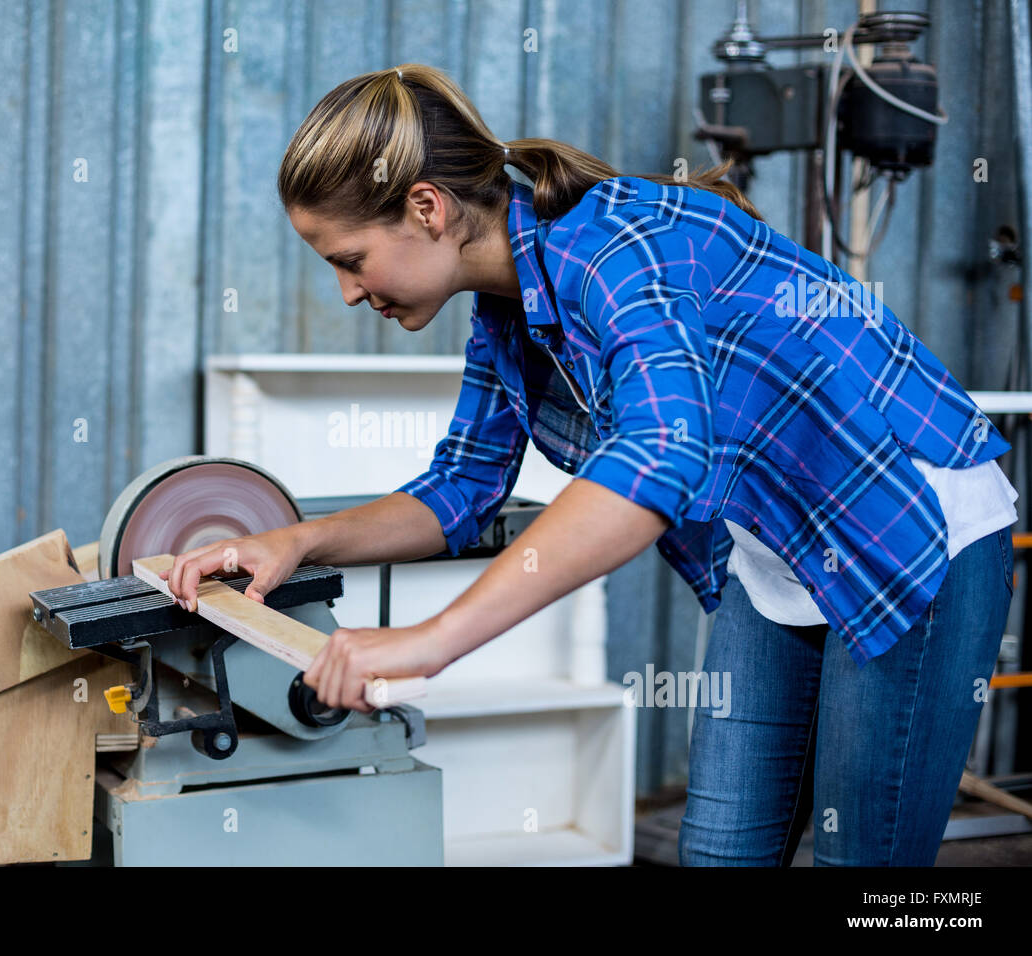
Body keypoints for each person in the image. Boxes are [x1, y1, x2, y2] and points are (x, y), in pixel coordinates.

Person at [165, 63, 1018, 866]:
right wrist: (297, 542)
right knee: (721, 850)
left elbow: (660, 456)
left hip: (907, 529)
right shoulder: (504, 315)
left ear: (426, 207)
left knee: (853, 864)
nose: (350, 292)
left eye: (349, 260)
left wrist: (429, 642)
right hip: (784, 552)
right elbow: (460, 489)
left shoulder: (616, 246)